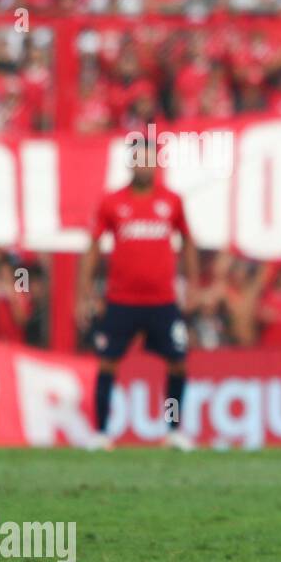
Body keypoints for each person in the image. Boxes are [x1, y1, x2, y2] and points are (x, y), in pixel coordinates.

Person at [77, 137, 199, 450]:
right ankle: (102, 433)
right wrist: (84, 294)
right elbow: (93, 248)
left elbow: (187, 242)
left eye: (150, 160)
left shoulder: (172, 201)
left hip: (162, 301)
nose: (144, 166)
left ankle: (172, 431)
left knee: (177, 363)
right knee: (107, 363)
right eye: (139, 160)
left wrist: (192, 286)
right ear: (131, 164)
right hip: (121, 301)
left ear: (157, 165)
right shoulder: (112, 202)